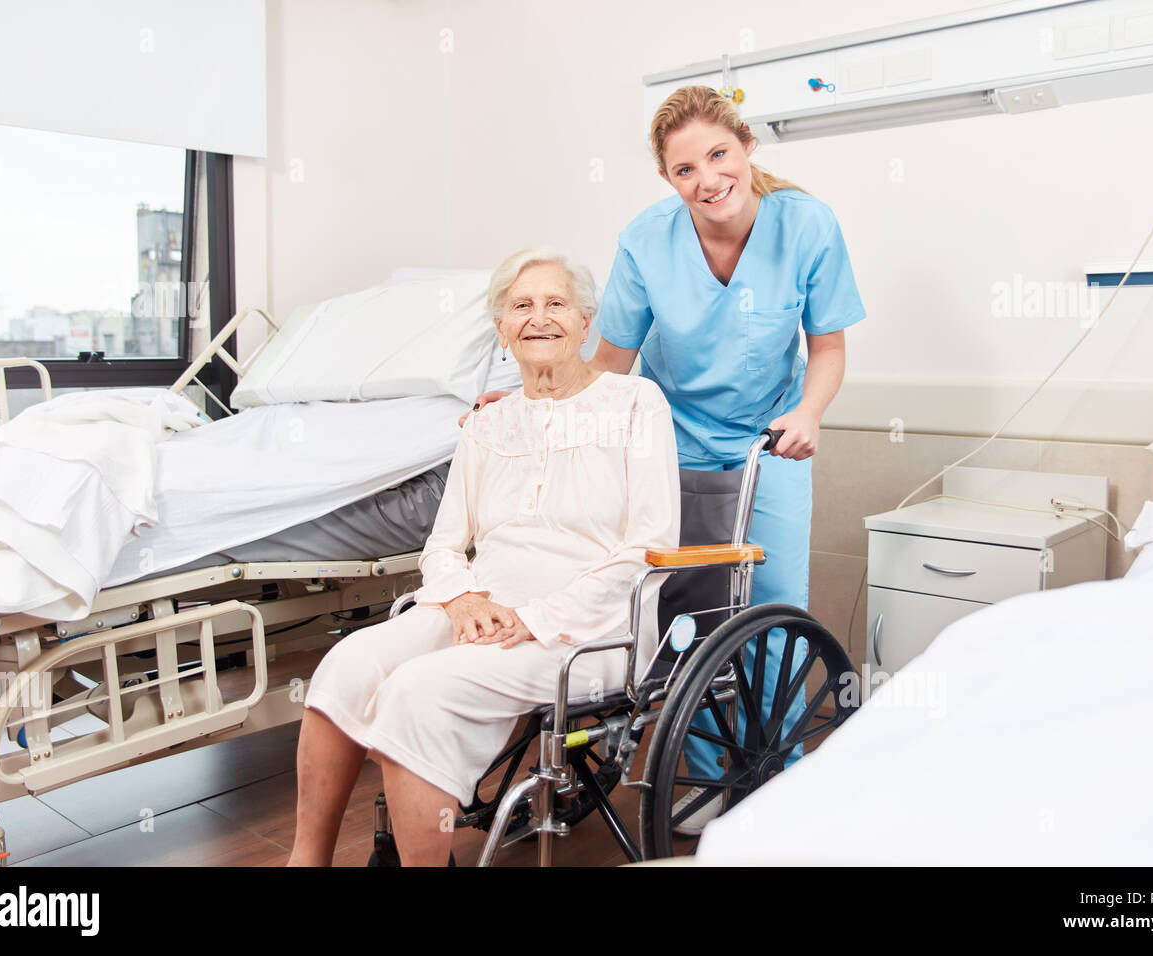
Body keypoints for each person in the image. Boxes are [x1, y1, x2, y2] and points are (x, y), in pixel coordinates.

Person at [468, 86, 866, 834]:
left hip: (767, 442)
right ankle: (706, 778)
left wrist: (808, 412)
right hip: (661, 441)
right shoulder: (648, 240)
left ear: (746, 144)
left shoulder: (806, 225)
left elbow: (829, 346)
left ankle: (773, 777)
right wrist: (539, 398)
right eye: (685, 169)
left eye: (718, 155)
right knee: (680, 611)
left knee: (772, 612)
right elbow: (612, 358)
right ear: (667, 179)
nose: (707, 179)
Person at [288, 249, 680, 866]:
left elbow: (650, 548)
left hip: (587, 630)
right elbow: (443, 545)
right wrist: (464, 598)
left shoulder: (635, 404)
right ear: (501, 330)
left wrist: (537, 618)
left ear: (585, 322)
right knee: (346, 665)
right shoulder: (487, 423)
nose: (538, 318)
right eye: (520, 306)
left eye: (556, 304)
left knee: (417, 689)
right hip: (476, 610)